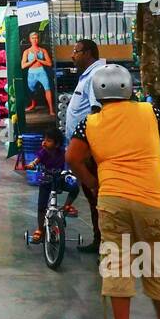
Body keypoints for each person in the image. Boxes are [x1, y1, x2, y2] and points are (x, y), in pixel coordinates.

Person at [64, 64, 160, 319]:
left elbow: (73, 158)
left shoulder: (89, 124)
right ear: (129, 88)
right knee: (158, 271)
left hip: (112, 201)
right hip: (152, 201)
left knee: (117, 267)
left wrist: (93, 182)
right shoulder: (150, 112)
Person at [65, 38, 106, 238]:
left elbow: (95, 111)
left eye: (77, 51)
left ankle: (103, 241)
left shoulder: (96, 74)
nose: (73, 55)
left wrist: (90, 147)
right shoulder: (87, 75)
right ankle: (99, 239)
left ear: (88, 53)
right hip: (84, 146)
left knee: (96, 195)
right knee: (92, 198)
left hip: (89, 149)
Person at [26, 128, 71, 244]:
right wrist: (32, 164)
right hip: (46, 181)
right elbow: (36, 160)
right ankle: (40, 229)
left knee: (75, 188)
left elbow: (70, 161)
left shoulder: (63, 153)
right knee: (41, 206)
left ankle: (67, 207)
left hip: (59, 180)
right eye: (44, 140)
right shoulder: (43, 152)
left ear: (57, 144)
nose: (44, 142)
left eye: (49, 140)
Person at [22, 30, 55, 115]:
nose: (35, 40)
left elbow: (49, 63)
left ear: (38, 39)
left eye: (36, 38)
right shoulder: (27, 51)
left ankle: (51, 110)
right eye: (33, 38)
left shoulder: (42, 50)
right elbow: (23, 65)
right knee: (31, 90)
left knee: (47, 89)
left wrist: (39, 60)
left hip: (41, 72)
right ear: (30, 39)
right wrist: (33, 61)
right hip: (31, 73)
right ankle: (33, 104)